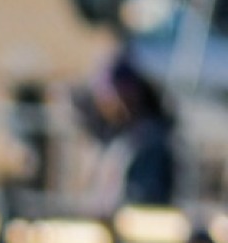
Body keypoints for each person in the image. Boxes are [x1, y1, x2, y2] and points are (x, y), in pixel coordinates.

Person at [74, 51, 185, 213]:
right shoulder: (109, 134)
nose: (105, 104)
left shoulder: (149, 139)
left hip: (139, 223)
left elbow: (147, 195)